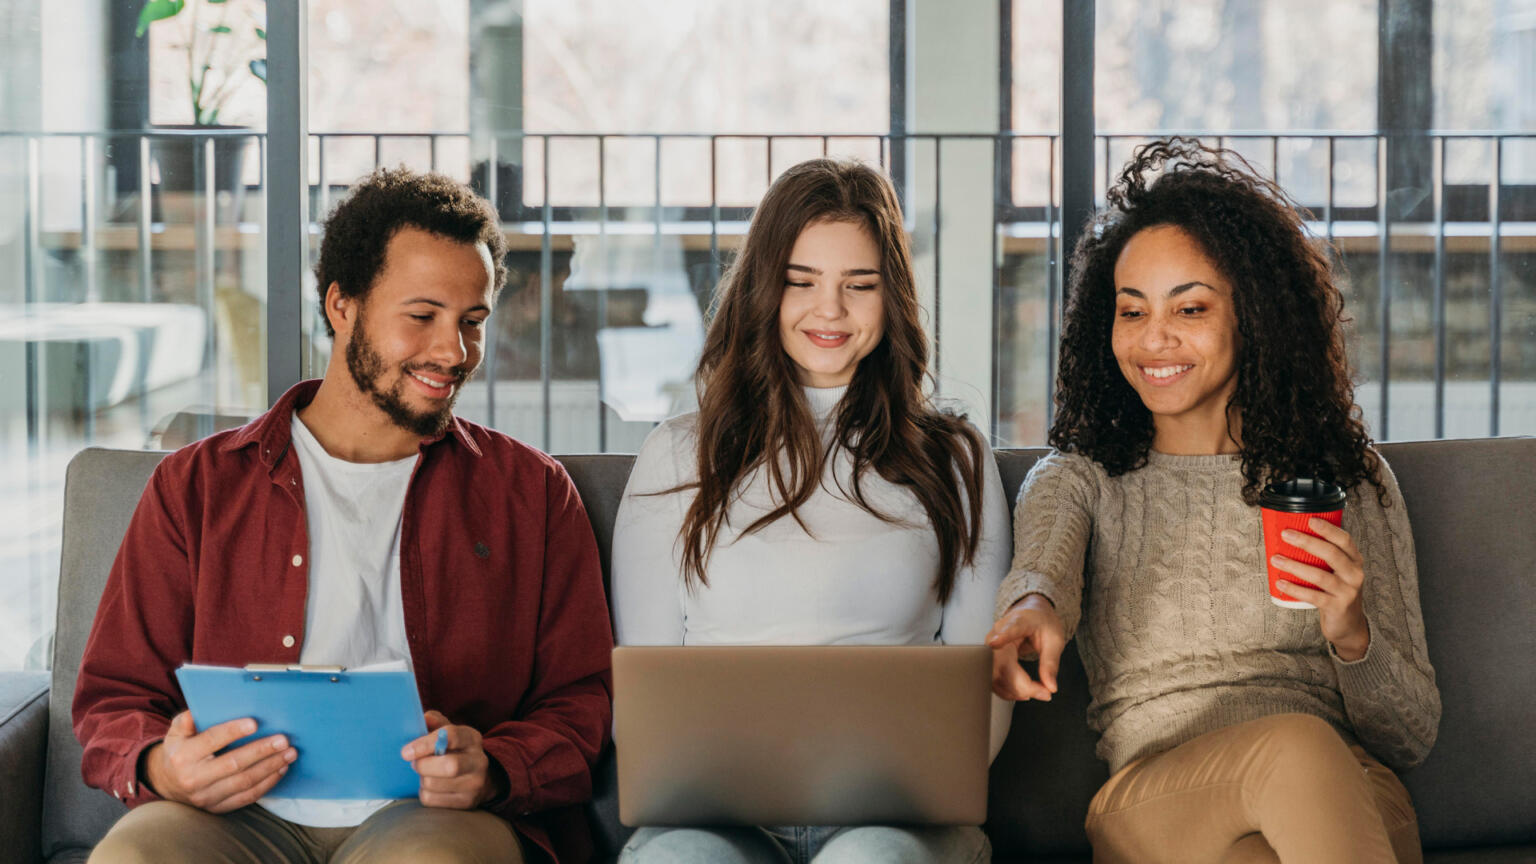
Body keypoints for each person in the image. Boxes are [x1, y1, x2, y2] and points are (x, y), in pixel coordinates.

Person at [74, 167, 614, 864]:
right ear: (342, 306)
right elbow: (114, 695)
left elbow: (582, 703)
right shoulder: (196, 485)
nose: (454, 352)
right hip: (232, 815)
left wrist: (498, 766)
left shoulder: (534, 494)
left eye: (471, 322)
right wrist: (158, 765)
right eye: (422, 317)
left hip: (429, 819)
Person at [986, 138, 1440, 864]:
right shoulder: (1082, 477)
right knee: (1293, 746)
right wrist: (1030, 613)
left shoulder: (1348, 479)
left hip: (1345, 797)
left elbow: (1409, 735)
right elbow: (1042, 578)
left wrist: (1352, 634)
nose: (1153, 339)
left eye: (1188, 308)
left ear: (1252, 316)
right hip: (1159, 806)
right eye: (1131, 312)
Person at [609, 158, 1011, 864]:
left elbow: (986, 698)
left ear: (893, 301)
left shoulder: (955, 460)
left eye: (860, 286)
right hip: (712, 820)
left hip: (898, 821)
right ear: (765, 290)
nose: (831, 310)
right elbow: (641, 692)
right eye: (802, 282)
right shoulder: (675, 456)